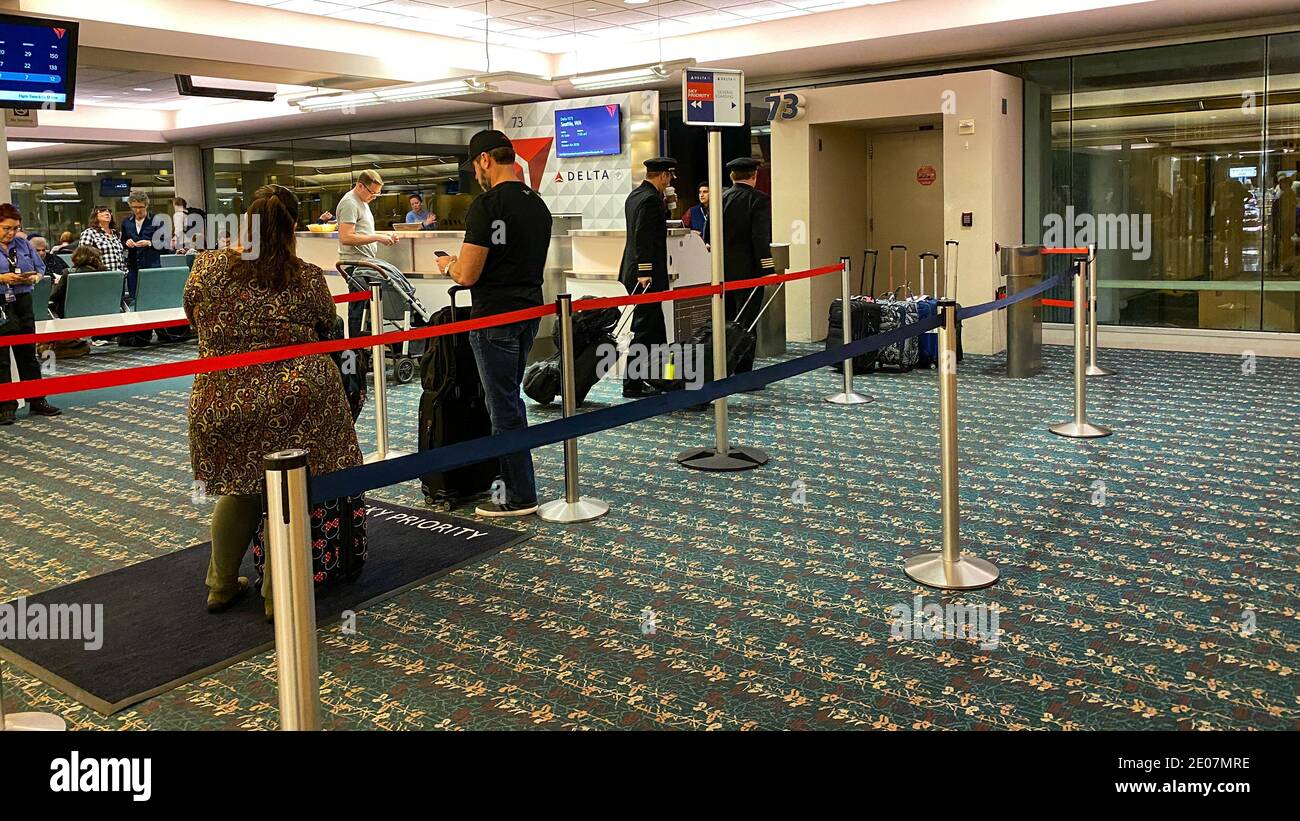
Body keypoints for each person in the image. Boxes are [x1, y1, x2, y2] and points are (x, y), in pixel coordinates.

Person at [186, 184, 362, 618]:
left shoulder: (206, 267)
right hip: (297, 398)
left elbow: (193, 316)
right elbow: (328, 325)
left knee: (240, 489)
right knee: (290, 493)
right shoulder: (305, 276)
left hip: (222, 395)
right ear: (293, 226)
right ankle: (276, 596)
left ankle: (221, 584)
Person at [436, 129, 550, 518]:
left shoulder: (486, 206)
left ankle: (518, 495)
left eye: (475, 166)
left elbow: (468, 274)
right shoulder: (537, 204)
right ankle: (516, 482)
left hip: (494, 319)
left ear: (485, 159)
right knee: (510, 401)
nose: (476, 174)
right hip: (528, 314)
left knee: (502, 407)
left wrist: (447, 264)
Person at [618, 156, 676, 398]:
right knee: (645, 328)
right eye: (669, 177)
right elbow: (642, 235)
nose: (669, 181)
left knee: (654, 328)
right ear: (663, 176)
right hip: (646, 275)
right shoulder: (651, 200)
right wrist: (645, 271)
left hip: (638, 271)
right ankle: (632, 383)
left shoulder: (636, 195)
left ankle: (659, 377)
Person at [0, 203, 62, 425]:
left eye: (15, 228)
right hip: (0, 303)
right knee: (2, 359)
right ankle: (6, 406)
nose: (11, 233)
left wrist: (34, 277)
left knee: (28, 353)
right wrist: (2, 278)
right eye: (7, 228)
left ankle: (37, 399)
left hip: (23, 301)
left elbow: (40, 267)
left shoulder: (23, 244)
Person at [721, 157, 774, 331]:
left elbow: (708, 234)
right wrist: (767, 269)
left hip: (723, 271)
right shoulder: (759, 199)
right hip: (749, 271)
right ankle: (743, 357)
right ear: (754, 175)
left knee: (727, 321)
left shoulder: (721, 199)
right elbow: (760, 236)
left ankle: (726, 357)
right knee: (747, 323)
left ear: (732, 176)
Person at [337, 169, 398, 264]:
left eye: (377, 194)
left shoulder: (363, 201)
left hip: (365, 261)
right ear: (360, 186)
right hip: (354, 263)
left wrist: (384, 236)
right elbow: (346, 238)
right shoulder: (349, 203)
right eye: (372, 193)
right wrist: (377, 237)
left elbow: (363, 231)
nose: (374, 197)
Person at [121, 191, 164, 301]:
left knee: (153, 298)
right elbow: (122, 241)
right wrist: (126, 242)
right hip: (133, 267)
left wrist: (149, 243)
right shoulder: (126, 222)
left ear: (146, 205)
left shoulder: (157, 221)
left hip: (151, 266)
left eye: (140, 207)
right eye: (134, 207)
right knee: (134, 299)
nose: (138, 210)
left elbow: (164, 243)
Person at [49, 244, 104, 319]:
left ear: (76, 257)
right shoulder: (106, 273)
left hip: (70, 315)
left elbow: (53, 296)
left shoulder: (68, 273)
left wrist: (56, 284)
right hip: (101, 313)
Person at [78, 206, 128, 279]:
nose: (107, 213)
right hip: (101, 277)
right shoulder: (89, 233)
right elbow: (83, 258)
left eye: (109, 212)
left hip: (120, 277)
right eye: (103, 211)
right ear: (95, 216)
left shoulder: (115, 234)